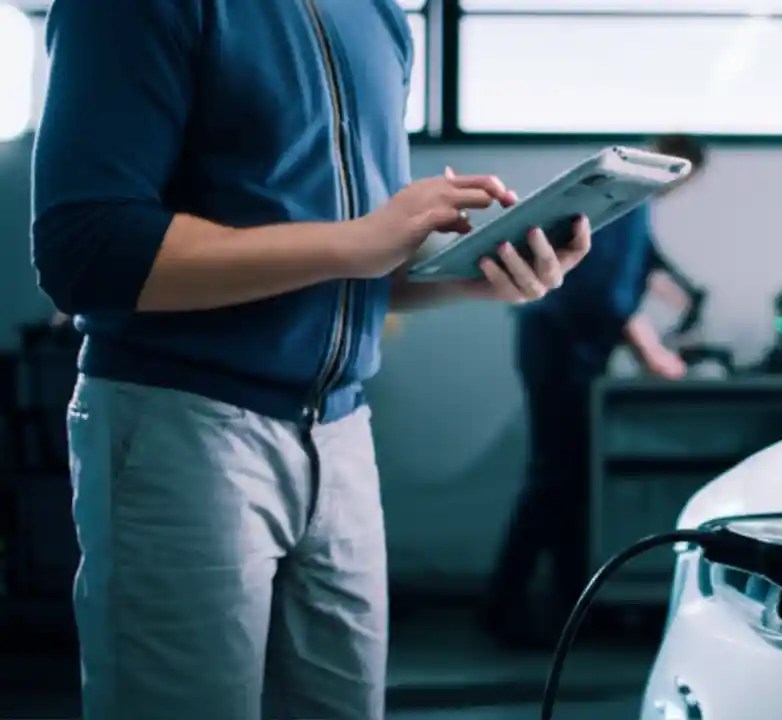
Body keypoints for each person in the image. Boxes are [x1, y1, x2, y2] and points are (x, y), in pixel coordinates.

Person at [29, 1, 591, 719]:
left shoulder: (379, 16)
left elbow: (357, 257)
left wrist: (469, 275)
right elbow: (87, 251)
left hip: (343, 432)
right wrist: (363, 241)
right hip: (184, 427)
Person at [481, 134, 708, 647]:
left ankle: (568, 606)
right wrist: (654, 354)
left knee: (569, 480)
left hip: (564, 347)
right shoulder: (632, 201)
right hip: (561, 349)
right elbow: (608, 295)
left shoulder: (636, 206)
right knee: (553, 478)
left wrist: (684, 298)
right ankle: (504, 606)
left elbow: (650, 267)